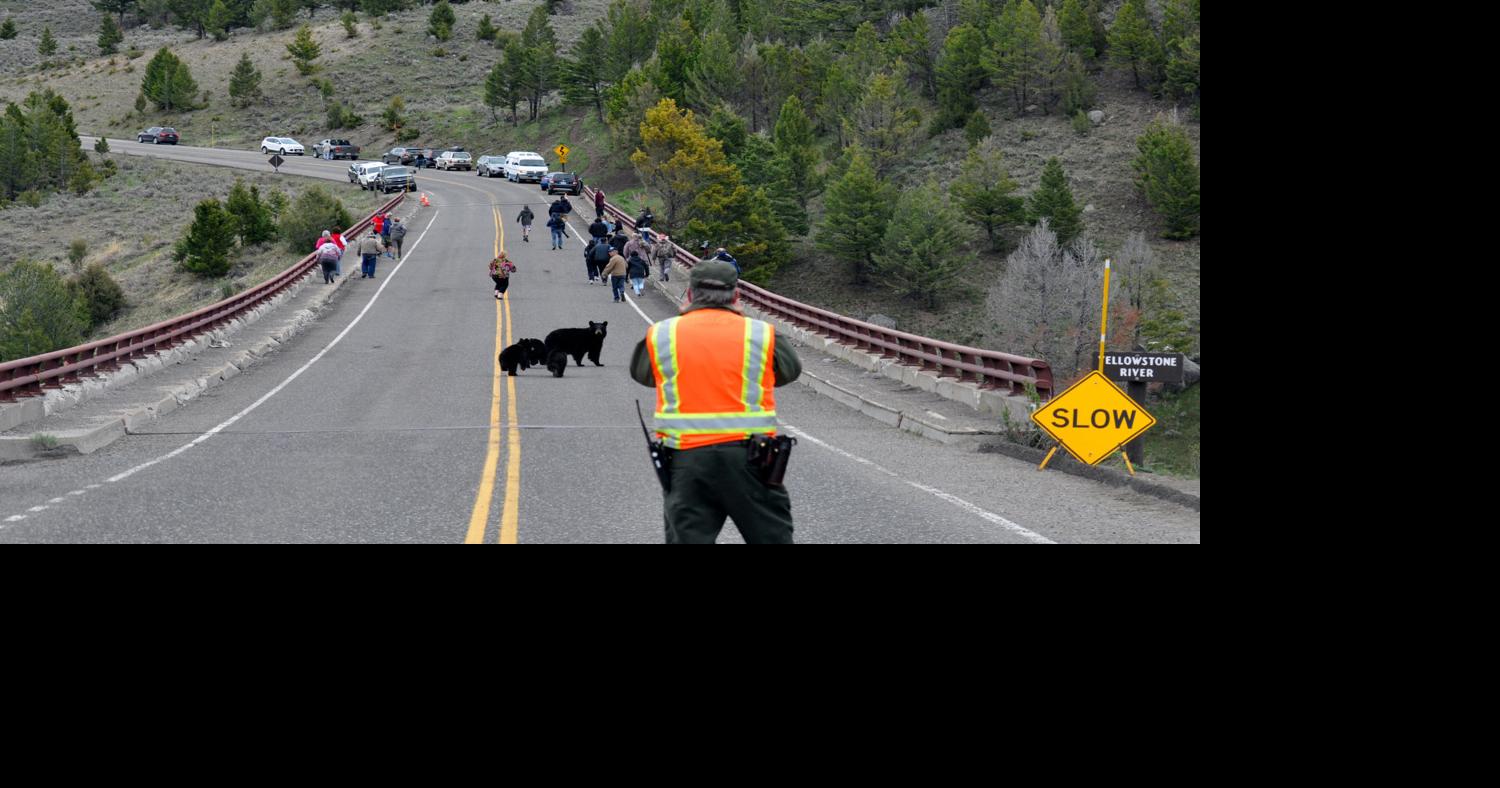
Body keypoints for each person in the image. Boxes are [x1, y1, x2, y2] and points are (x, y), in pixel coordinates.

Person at [630, 260, 802, 544]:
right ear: (736, 295)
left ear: (690, 293)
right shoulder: (760, 333)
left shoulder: (663, 333)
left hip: (686, 459)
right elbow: (788, 371)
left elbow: (643, 374)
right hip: (751, 457)